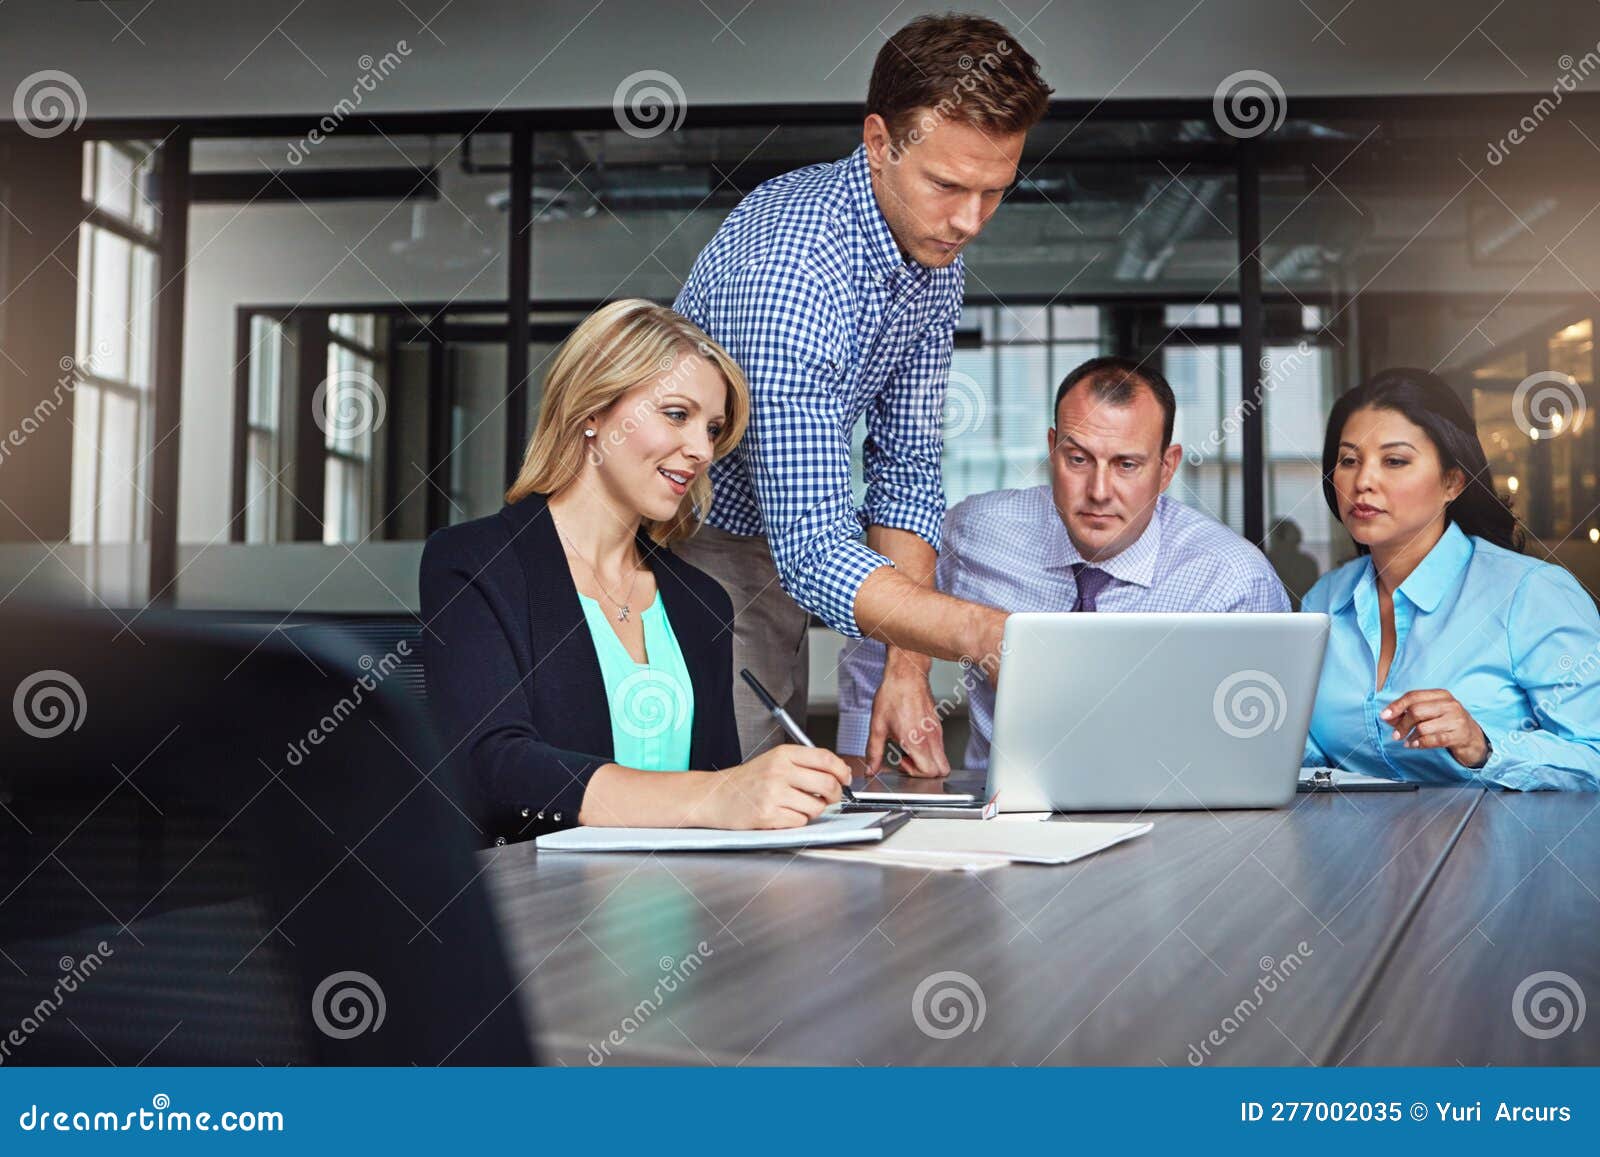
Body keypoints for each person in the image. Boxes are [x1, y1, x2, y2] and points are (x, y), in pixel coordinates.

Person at [672, 13, 1054, 773]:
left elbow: (907, 467)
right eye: (947, 185)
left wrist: (906, 667)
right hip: (694, 549)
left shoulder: (930, 249)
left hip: (781, 544)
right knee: (734, 791)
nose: (969, 221)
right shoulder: (791, 275)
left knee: (782, 783)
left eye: (994, 191)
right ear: (880, 142)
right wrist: (986, 636)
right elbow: (814, 548)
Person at [419, 300, 852, 842]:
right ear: (592, 411)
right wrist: (715, 795)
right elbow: (492, 767)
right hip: (536, 888)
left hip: (689, 890)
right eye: (677, 414)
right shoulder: (474, 561)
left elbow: (723, 795)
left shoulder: (701, 601)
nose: (701, 450)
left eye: (713, 429)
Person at [838, 356, 1291, 774]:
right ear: (1053, 448)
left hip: (1174, 814)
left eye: (1126, 465)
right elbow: (883, 610)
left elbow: (1262, 748)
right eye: (1078, 459)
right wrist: (867, 764)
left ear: (1167, 466)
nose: (1099, 491)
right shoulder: (975, 532)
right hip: (998, 816)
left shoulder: (1233, 580)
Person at [1302, 367, 1600, 790]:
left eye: (1395, 461)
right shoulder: (1323, 600)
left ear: (1453, 482)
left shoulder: (1532, 593)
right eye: (1349, 460)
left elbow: (1594, 755)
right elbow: (1306, 753)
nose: (1363, 481)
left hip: (1494, 833)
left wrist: (1483, 746)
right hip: (1349, 831)